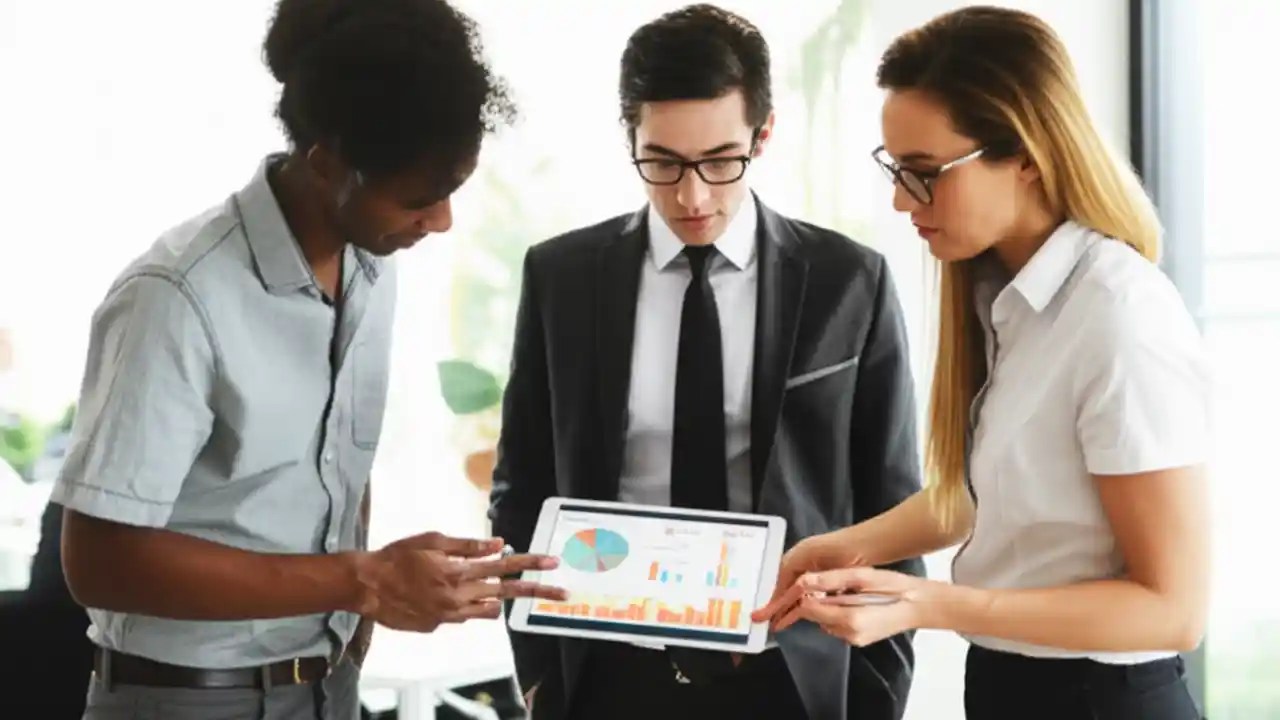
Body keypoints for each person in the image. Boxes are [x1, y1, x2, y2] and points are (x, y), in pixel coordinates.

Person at [51, 1, 566, 718]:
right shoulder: (176, 297)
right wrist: (364, 582)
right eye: (420, 199)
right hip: (186, 701)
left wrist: (356, 616)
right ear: (329, 166)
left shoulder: (373, 267)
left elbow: (335, 474)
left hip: (327, 691)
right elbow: (98, 561)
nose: (441, 221)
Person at [753, 6, 1210, 720]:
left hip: (1099, 701)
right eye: (897, 171)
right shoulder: (1008, 300)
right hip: (1009, 688)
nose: (904, 201)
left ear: (1026, 154)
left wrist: (928, 603)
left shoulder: (1118, 316)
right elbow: (995, 491)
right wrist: (845, 546)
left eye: (926, 173)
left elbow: (1171, 610)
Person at [488, 5, 925, 719]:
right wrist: (540, 675)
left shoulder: (849, 280)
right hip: (605, 677)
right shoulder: (562, 278)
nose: (692, 197)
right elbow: (522, 485)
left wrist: (877, 692)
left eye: (721, 161)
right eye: (661, 162)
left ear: (764, 133)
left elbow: (895, 505)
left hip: (792, 675)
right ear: (628, 135)